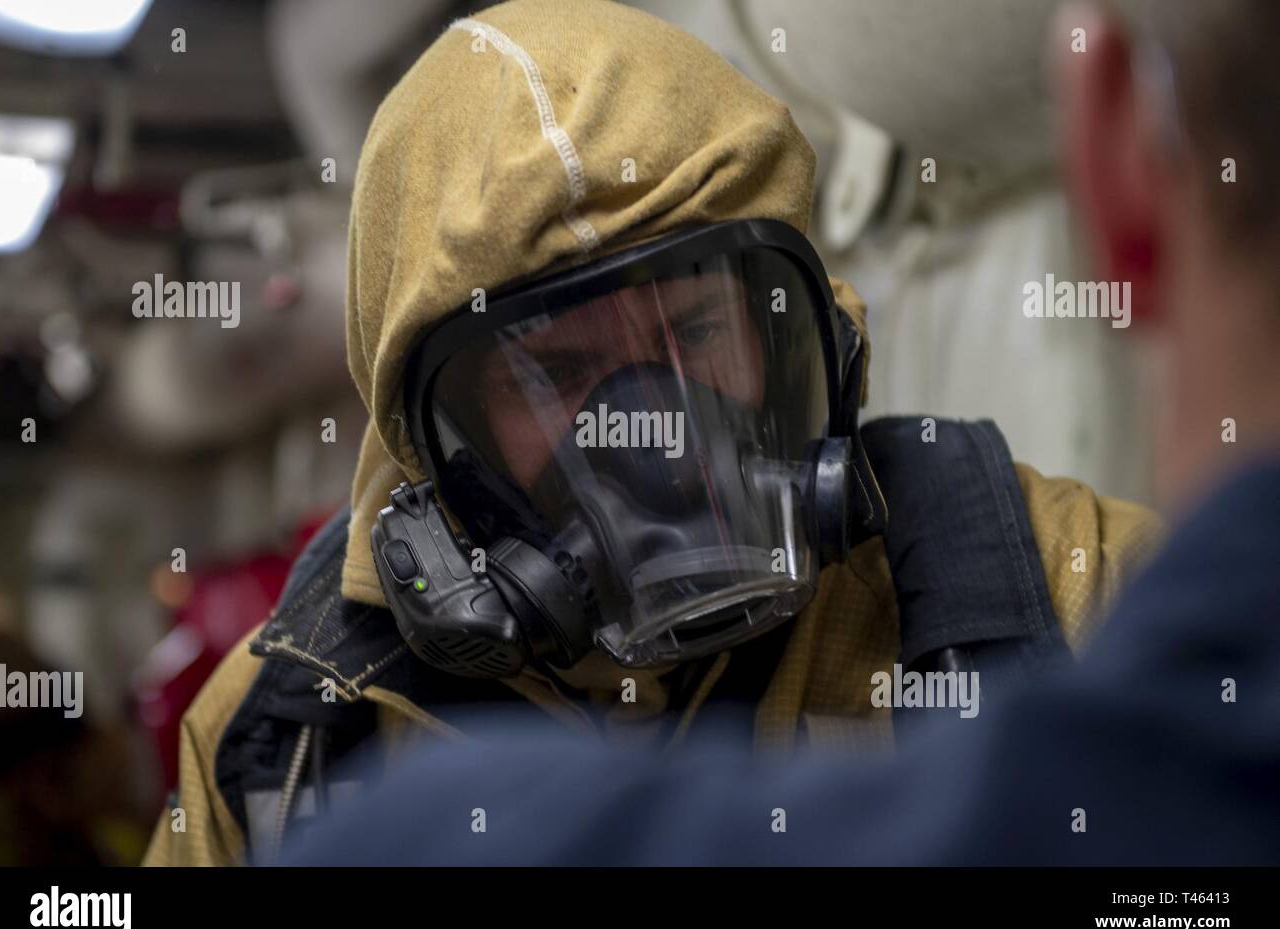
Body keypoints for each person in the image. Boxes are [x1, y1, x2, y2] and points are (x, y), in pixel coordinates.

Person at [142, 0, 1159, 866]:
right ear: (446, 451)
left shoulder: (1071, 591)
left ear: (809, 346)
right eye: (560, 375)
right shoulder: (292, 737)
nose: (646, 423)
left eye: (697, 332)